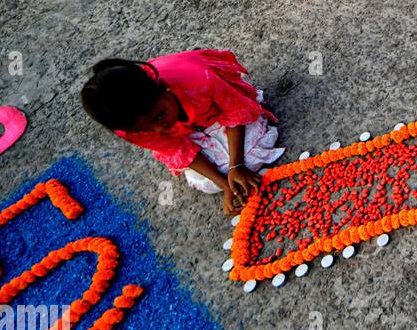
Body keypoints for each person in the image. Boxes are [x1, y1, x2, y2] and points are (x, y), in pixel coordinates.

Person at [80, 51, 283, 216]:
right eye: (146, 129)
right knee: (208, 182)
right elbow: (175, 148)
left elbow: (234, 111)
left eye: (159, 116)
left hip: (221, 112)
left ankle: (236, 161)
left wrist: (236, 165)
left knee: (249, 158)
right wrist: (225, 184)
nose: (160, 129)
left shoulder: (196, 78)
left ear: (164, 89)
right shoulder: (130, 127)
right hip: (189, 131)